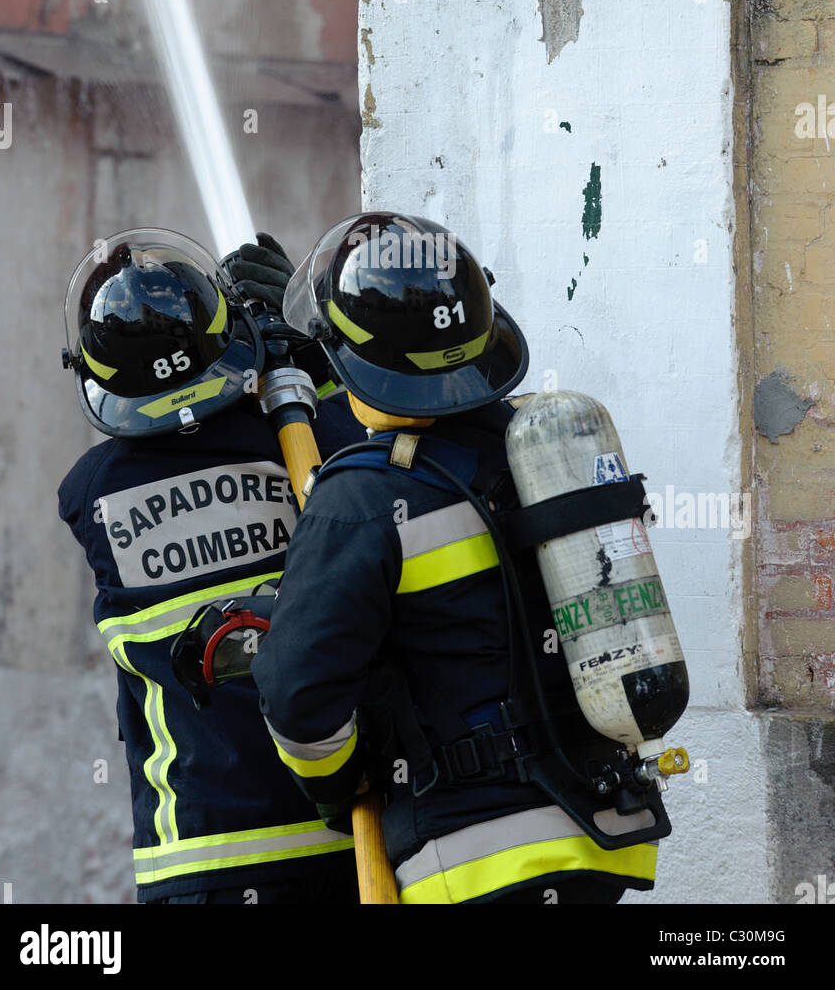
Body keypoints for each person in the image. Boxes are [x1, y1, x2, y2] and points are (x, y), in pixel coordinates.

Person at [250, 212, 662, 905]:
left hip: (474, 858)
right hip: (599, 834)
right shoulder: (535, 453)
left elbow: (298, 699)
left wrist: (344, 780)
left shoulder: (360, 500)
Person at [58, 227, 361, 905]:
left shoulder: (92, 494)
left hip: (198, 856)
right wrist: (312, 350)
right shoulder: (310, 440)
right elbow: (383, 444)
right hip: (350, 833)